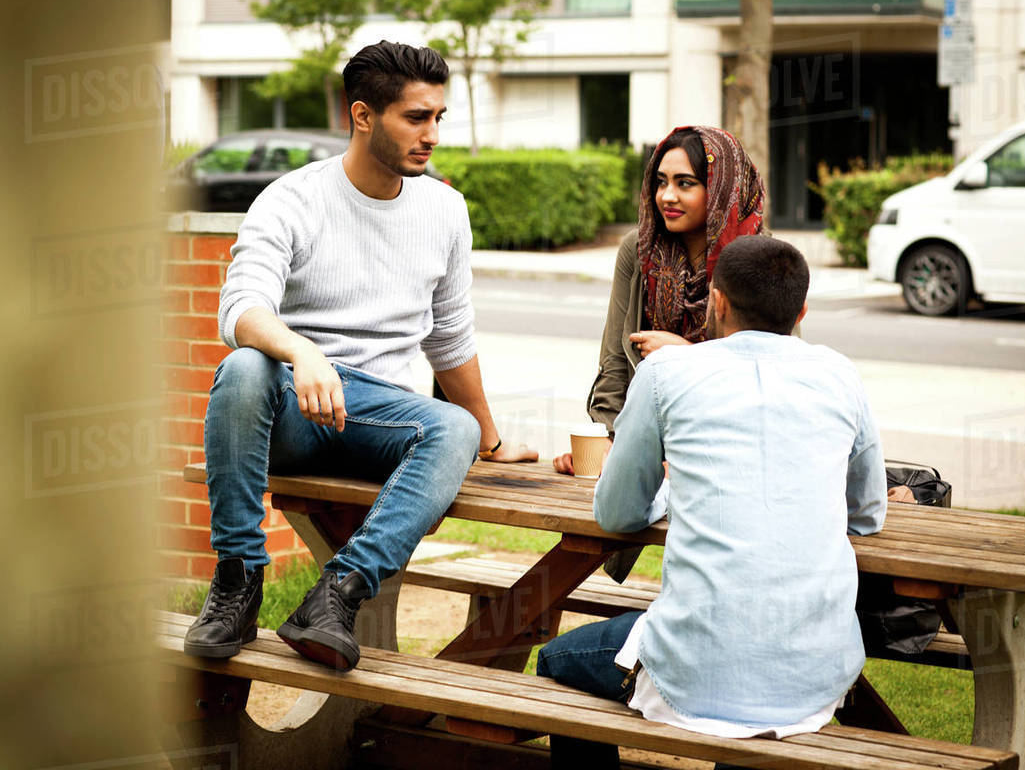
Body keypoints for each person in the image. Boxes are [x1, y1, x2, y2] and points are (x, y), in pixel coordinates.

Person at [184, 41, 537, 671]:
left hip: (384, 420)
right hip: (298, 405)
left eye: (438, 117)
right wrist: (302, 352)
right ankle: (237, 582)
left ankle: (336, 597)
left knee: (450, 425)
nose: (431, 134)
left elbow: (449, 336)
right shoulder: (293, 198)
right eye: (415, 117)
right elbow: (239, 308)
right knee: (243, 366)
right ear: (363, 115)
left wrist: (489, 436)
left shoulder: (445, 211)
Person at [536, 237, 887, 768]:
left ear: (717, 302)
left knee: (556, 659)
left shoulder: (666, 374)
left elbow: (616, 514)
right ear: (802, 311)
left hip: (692, 667)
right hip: (818, 673)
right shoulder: (841, 374)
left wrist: (674, 490)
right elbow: (867, 514)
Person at [553, 126, 765, 478]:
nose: (667, 196)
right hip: (650, 440)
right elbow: (616, 362)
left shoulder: (760, 259)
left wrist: (688, 356)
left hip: (733, 452)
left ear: (720, 189)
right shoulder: (640, 250)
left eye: (685, 183)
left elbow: (776, 378)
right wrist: (608, 438)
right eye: (661, 182)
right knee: (581, 528)